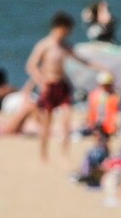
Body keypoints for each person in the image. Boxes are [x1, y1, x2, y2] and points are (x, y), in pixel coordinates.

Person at [26, 11, 83, 162]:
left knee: (67, 119)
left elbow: (80, 59)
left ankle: (65, 153)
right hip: (48, 86)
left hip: (62, 85)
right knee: (47, 123)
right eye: (68, 29)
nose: (69, 33)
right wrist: (41, 82)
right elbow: (31, 66)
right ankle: (43, 154)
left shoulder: (65, 46)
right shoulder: (45, 45)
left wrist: (98, 66)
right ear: (60, 27)